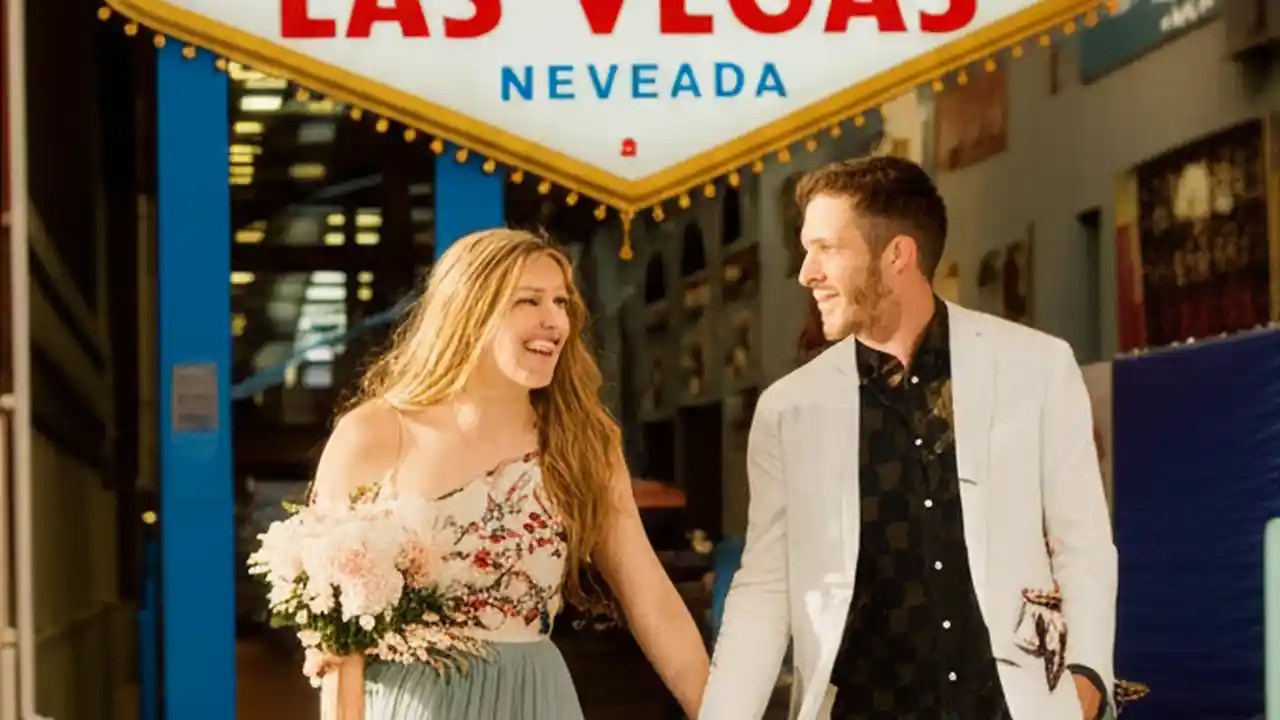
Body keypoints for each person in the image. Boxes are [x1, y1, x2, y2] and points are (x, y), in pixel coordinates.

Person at [699, 157, 1118, 720]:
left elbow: (1083, 543)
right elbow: (764, 592)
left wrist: (1088, 678)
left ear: (897, 255)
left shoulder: (1037, 367)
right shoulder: (789, 410)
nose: (806, 273)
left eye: (827, 248)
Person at [310, 228, 710, 718]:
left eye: (561, 302)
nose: (555, 321)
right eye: (529, 301)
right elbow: (332, 632)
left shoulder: (585, 440)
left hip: (536, 699)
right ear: (470, 311)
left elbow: (651, 599)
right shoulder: (375, 432)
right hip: (413, 703)